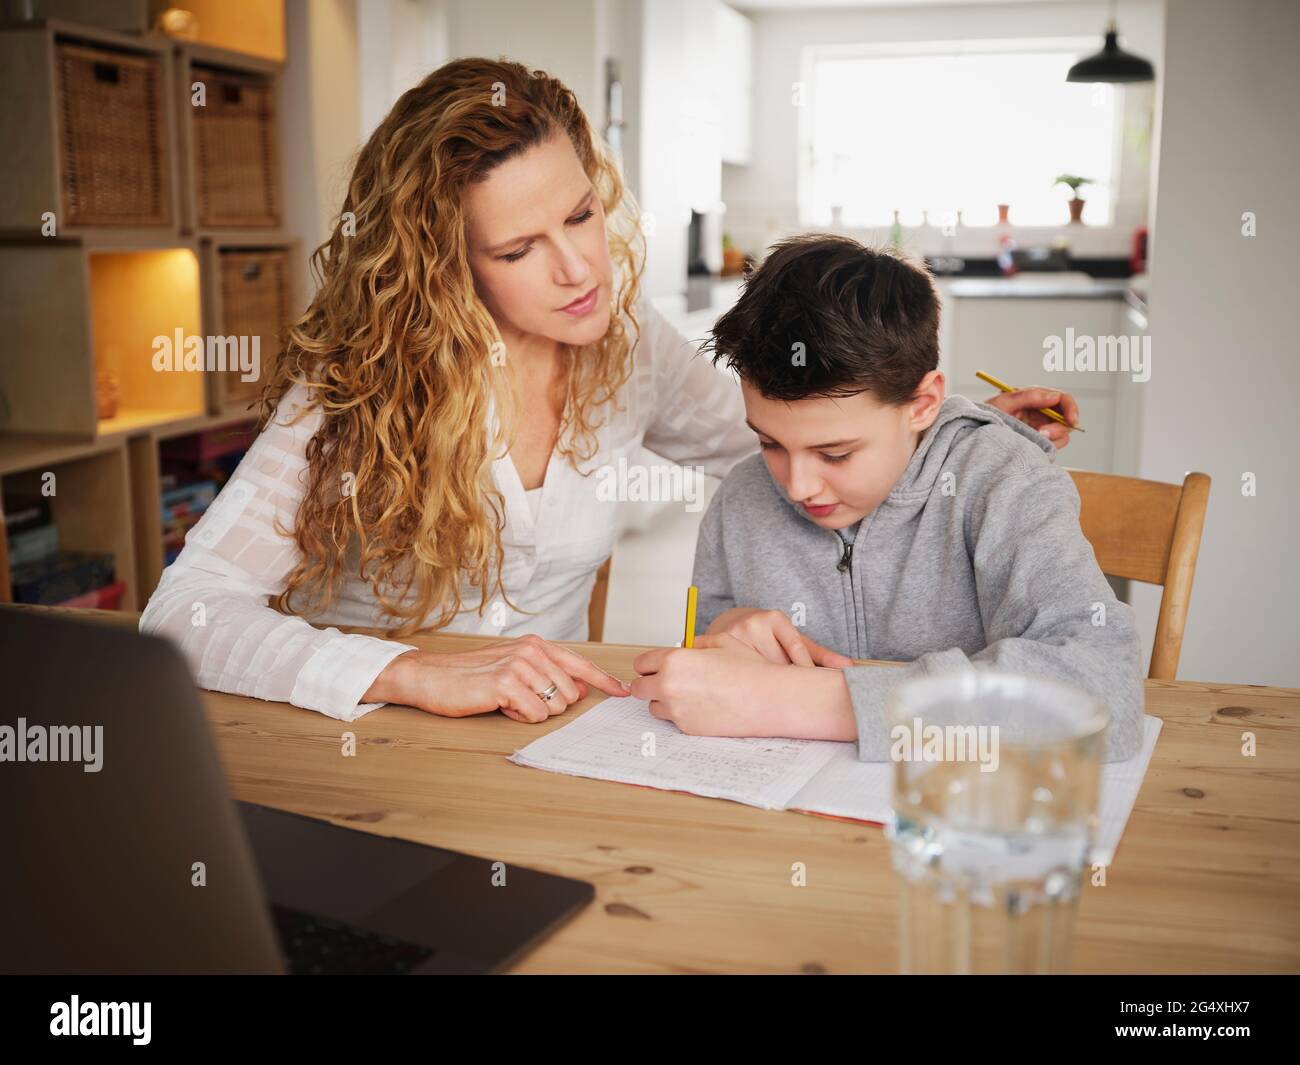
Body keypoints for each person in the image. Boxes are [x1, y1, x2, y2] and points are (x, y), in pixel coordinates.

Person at [140, 58, 1083, 728]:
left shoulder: (624, 345)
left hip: (548, 733)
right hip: (371, 736)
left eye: (582, 214)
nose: (579, 268)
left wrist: (939, 424)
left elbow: (784, 430)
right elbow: (183, 615)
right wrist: (414, 673)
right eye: (518, 250)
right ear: (443, 269)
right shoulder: (355, 384)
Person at [630, 234, 1142, 762]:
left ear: (922, 405)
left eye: (835, 454)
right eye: (769, 442)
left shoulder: (1002, 480)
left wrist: (798, 701)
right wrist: (718, 632)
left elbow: (1106, 694)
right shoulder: (742, 496)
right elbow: (700, 665)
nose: (797, 485)